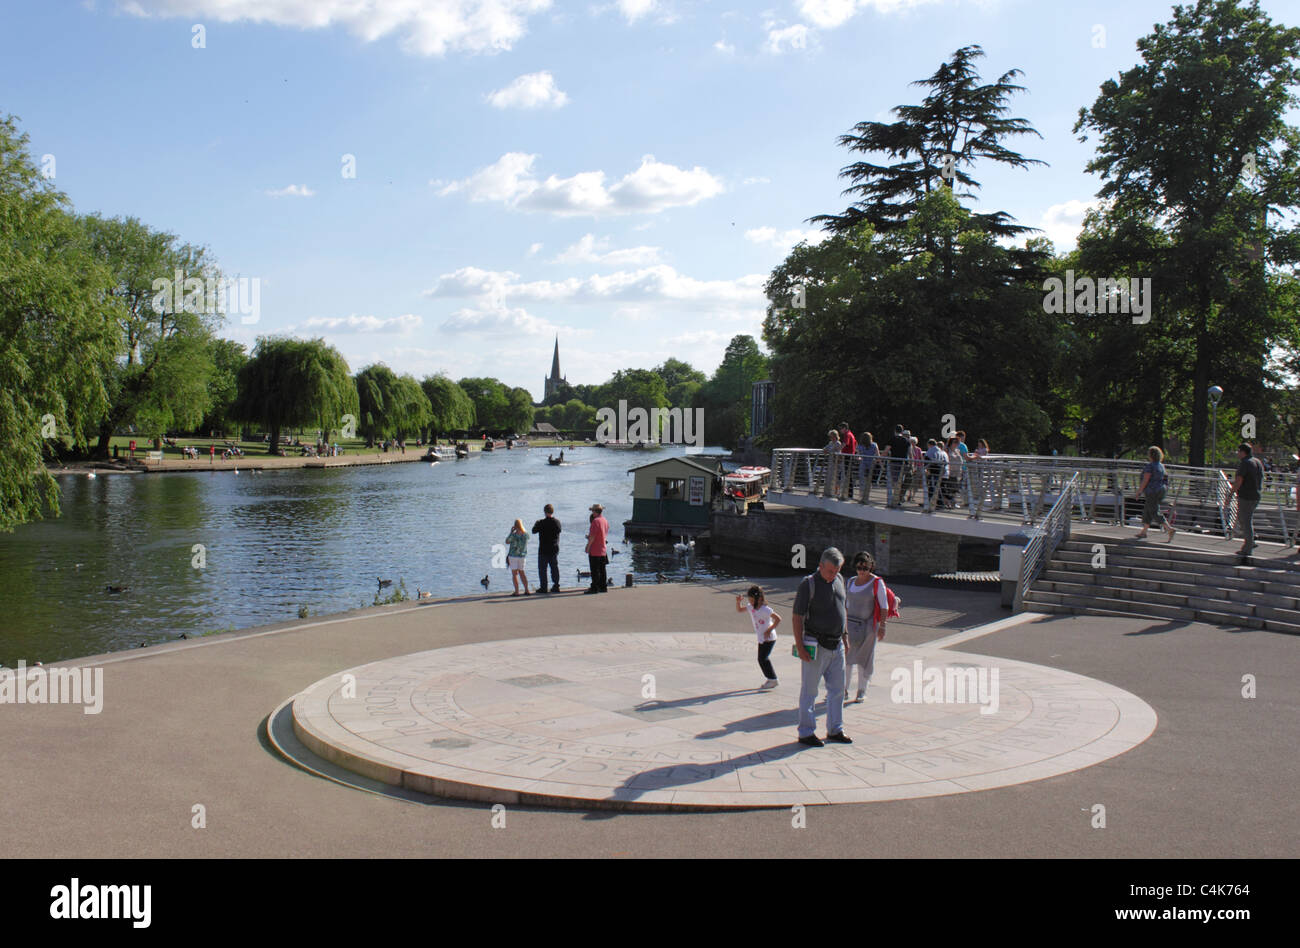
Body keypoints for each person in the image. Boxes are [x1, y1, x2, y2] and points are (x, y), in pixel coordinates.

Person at [792, 547, 851, 747]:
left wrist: (845, 636)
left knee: (837, 690)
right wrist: (800, 646)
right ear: (820, 566)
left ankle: (836, 729)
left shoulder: (840, 580)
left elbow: (843, 609)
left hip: (837, 645)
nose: (833, 575)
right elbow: (797, 616)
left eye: (836, 571)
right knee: (810, 691)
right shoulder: (808, 585)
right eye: (830, 571)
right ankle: (806, 732)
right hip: (815, 645)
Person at [844, 552, 889, 703]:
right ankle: (844, 689)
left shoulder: (876, 582)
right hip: (851, 625)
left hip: (869, 627)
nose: (862, 571)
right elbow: (847, 605)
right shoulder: (850, 582)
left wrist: (882, 626)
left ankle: (861, 690)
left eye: (865, 568)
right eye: (859, 567)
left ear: (871, 567)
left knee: (865, 659)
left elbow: (884, 606)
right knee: (848, 658)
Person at [735, 585, 781, 689]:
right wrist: (738, 602)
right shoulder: (751, 607)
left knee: (762, 659)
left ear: (760, 599)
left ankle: (772, 679)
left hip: (769, 638)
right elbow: (740, 610)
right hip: (762, 637)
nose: (750, 602)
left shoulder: (766, 609)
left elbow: (778, 619)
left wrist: (769, 629)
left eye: (752, 600)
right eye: (749, 600)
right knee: (762, 659)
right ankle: (772, 679)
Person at [1231, 442, 1264, 556]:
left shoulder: (1245, 463)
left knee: (1245, 520)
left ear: (1243, 452)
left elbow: (1239, 481)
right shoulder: (1257, 462)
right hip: (1256, 495)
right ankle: (1251, 541)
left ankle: (1247, 548)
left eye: (1238, 451)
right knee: (1245, 518)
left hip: (1246, 496)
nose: (1237, 454)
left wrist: (1231, 494)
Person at [1136, 446, 1176, 541]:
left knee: (1154, 511)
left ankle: (1169, 529)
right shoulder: (1161, 466)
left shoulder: (1150, 466)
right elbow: (1165, 478)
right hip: (1161, 490)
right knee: (1148, 509)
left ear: (1150, 455)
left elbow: (1146, 479)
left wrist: (1139, 491)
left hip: (1152, 491)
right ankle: (1144, 532)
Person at [532, 503, 562, 593]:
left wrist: (536, 523)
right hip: (554, 548)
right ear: (552, 511)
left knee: (542, 569)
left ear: (545, 512)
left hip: (543, 549)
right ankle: (556, 585)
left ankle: (544, 587)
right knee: (554, 568)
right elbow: (559, 530)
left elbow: (533, 531)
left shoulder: (541, 523)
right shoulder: (557, 522)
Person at [584, 503, 609, 593]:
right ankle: (603, 586)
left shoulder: (595, 521)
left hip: (595, 549)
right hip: (603, 549)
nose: (592, 512)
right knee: (602, 570)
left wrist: (587, 546)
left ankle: (594, 587)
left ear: (595, 511)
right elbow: (604, 534)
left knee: (594, 570)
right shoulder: (605, 520)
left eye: (592, 511)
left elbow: (593, 536)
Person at [506, 519, 531, 595]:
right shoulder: (526, 534)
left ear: (515, 526)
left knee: (514, 574)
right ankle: (527, 590)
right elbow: (528, 539)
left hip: (513, 556)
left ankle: (517, 591)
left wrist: (511, 532)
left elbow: (507, 541)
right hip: (522, 556)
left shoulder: (513, 535)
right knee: (522, 573)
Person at [856, 431, 878, 499]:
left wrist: (859, 458)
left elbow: (858, 456)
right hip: (871, 465)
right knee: (869, 481)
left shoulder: (860, 446)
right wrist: (879, 463)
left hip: (863, 464)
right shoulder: (874, 445)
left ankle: (861, 496)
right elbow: (878, 456)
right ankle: (867, 496)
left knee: (862, 481)